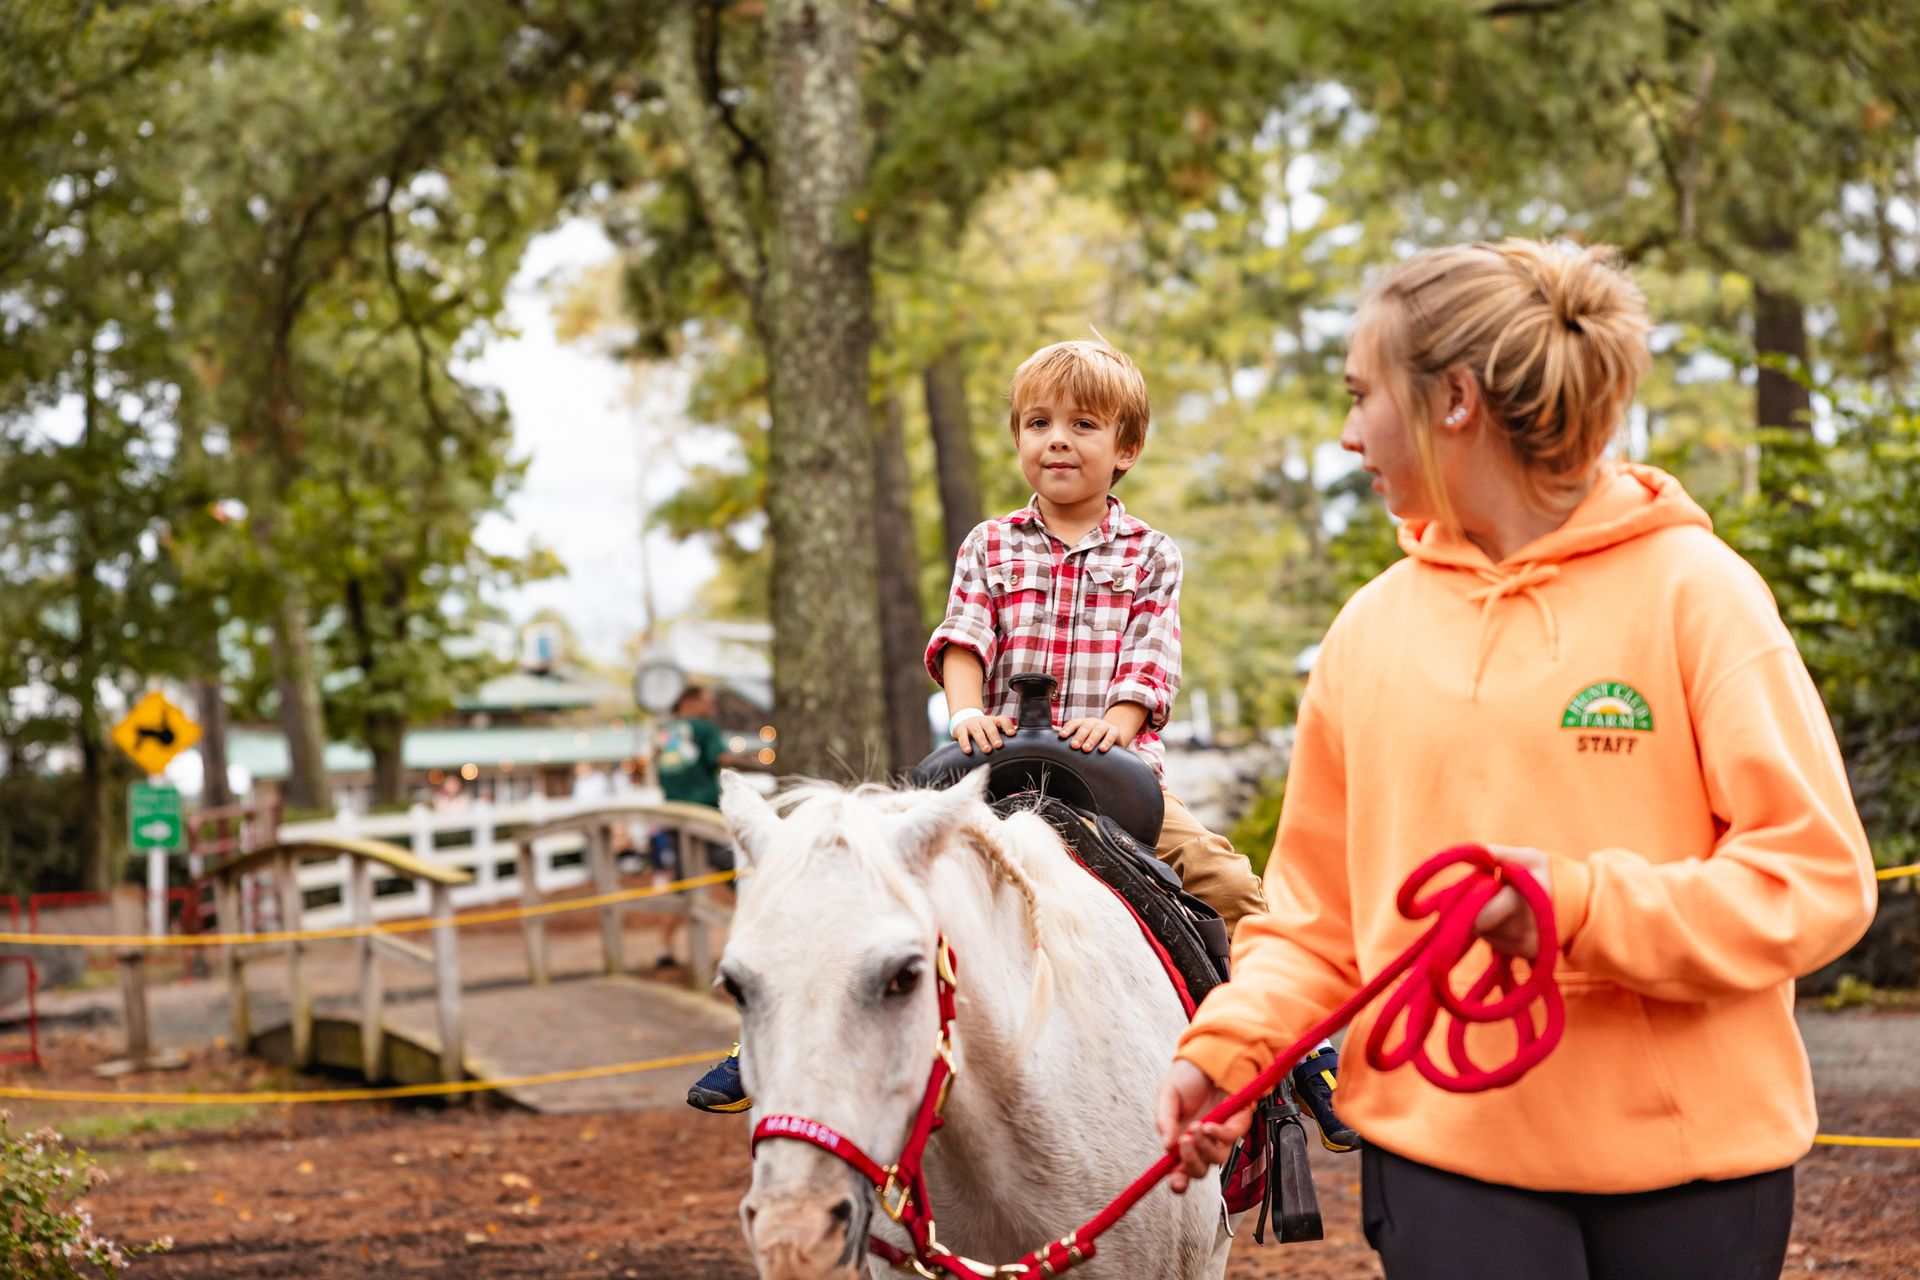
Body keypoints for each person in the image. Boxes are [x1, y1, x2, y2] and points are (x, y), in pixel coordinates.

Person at [1154, 239, 1877, 1279]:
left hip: (1695, 1166)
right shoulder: (1368, 633)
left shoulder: (1698, 593)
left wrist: (1575, 905)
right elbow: (1318, 923)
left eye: (1364, 395)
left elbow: (1814, 880)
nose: (1349, 434)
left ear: (1454, 400)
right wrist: (1226, 1049)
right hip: (1447, 1156)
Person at [932, 334, 1351, 1145]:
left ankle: (1305, 1052)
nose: (1058, 438)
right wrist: (963, 715)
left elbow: (1151, 659)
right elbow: (962, 642)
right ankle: (772, 1042)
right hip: (998, 772)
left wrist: (1115, 727)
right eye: (1039, 422)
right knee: (878, 865)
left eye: (1085, 424)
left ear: (1125, 449)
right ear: (1018, 438)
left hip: (1111, 780)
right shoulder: (989, 545)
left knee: (1231, 886)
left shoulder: (1151, 554)